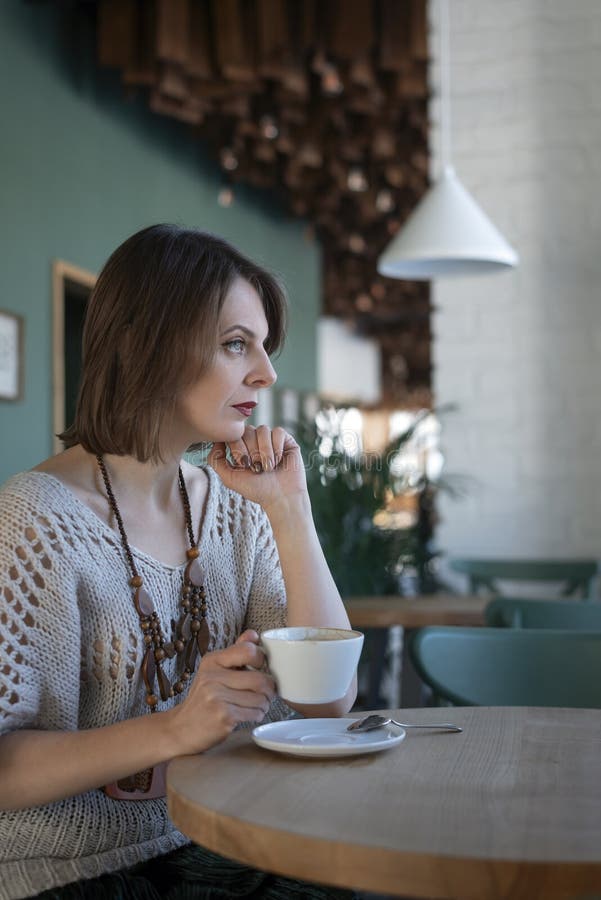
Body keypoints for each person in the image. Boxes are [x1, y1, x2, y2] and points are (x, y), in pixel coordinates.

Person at [0, 225, 357, 900]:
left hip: (211, 838)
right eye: (234, 345)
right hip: (63, 872)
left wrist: (289, 508)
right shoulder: (37, 520)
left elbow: (328, 699)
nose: (266, 373)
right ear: (143, 346)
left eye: (262, 346)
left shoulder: (234, 510)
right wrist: (172, 730)